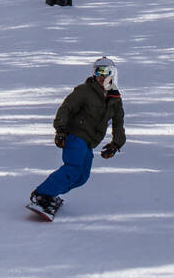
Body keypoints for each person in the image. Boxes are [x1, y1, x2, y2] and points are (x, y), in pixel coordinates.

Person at [28, 57, 125, 218]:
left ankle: (50, 195)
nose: (102, 76)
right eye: (98, 72)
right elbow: (66, 108)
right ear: (93, 74)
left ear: (113, 74)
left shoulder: (115, 99)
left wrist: (116, 144)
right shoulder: (84, 91)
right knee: (73, 167)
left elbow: (118, 123)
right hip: (75, 136)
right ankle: (41, 194)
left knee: (81, 177)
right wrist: (60, 129)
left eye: (106, 72)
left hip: (89, 143)